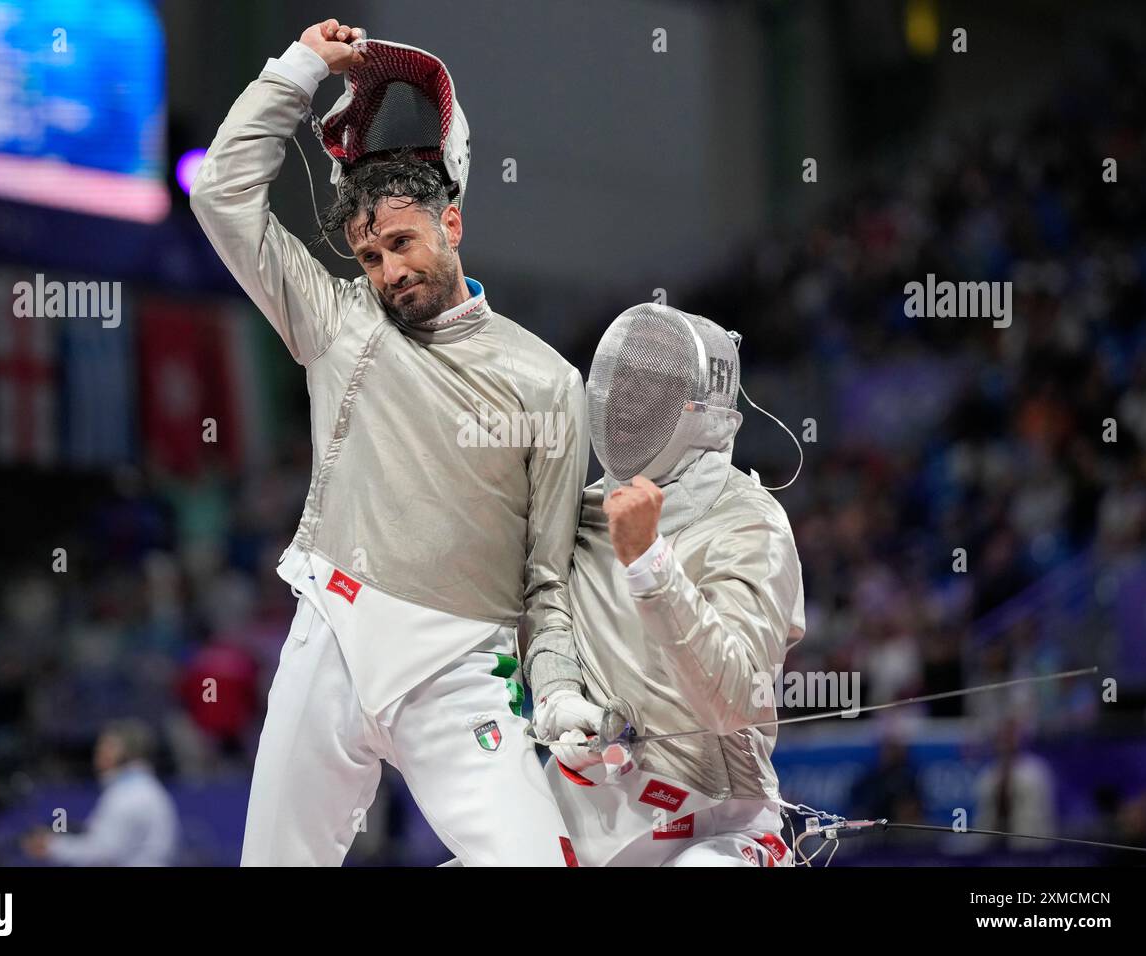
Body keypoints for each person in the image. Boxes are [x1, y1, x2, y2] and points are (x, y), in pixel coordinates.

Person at [191, 18, 586, 866]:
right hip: (332, 632)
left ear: (453, 224)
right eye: (369, 255)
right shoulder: (337, 320)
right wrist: (296, 70)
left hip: (464, 668)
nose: (388, 271)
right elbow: (219, 194)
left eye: (402, 243)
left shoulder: (546, 380)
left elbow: (548, 577)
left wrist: (556, 690)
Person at [525, 303, 806, 866]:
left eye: (649, 392)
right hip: (582, 809)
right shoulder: (581, 512)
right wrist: (557, 693)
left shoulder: (751, 522)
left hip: (714, 823)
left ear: (698, 412)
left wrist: (650, 562)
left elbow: (734, 700)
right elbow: (543, 601)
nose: (624, 407)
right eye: (618, 388)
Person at [23, 719, 179, 866]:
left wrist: (52, 846)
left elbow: (102, 852)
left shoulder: (128, 794)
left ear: (129, 752)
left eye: (107, 746)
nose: (98, 753)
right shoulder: (143, 788)